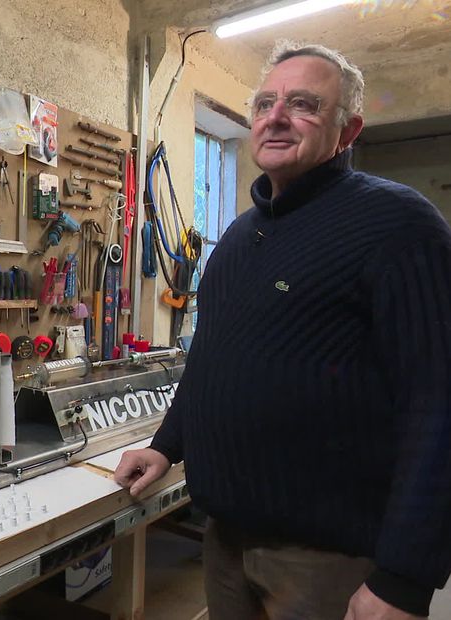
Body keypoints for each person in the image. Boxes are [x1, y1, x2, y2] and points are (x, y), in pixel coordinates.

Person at [116, 41, 451, 620]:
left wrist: (404, 578)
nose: (275, 116)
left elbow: (438, 403)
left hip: (328, 559)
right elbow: (211, 363)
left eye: (303, 104)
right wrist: (167, 446)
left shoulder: (399, 225)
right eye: (265, 102)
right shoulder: (239, 239)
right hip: (226, 542)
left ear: (348, 131)